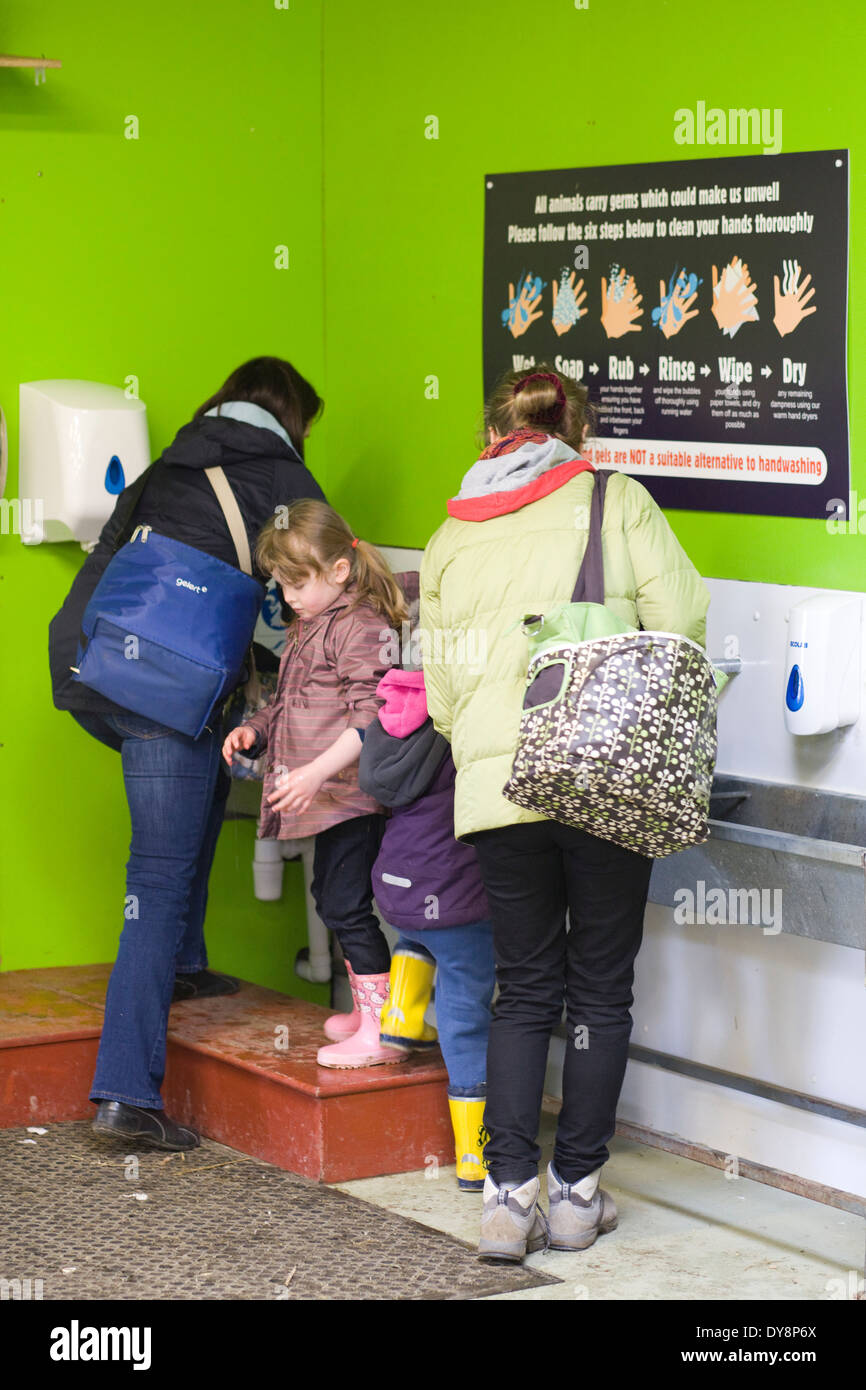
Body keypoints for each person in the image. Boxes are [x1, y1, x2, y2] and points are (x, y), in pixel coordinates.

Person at [419, 366, 710, 1261]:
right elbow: (684, 623)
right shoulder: (614, 500)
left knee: (524, 987)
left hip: (499, 791)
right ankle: (577, 1194)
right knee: (599, 987)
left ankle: (508, 1201)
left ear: (492, 434)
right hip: (605, 773)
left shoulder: (445, 539)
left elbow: (438, 703)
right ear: (574, 432)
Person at [49, 356, 326, 1150]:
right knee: (157, 879)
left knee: (202, 776)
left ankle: (183, 961)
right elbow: (318, 590)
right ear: (291, 417)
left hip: (91, 667)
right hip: (160, 694)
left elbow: (111, 559)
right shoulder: (280, 474)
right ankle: (126, 1094)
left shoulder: (168, 460)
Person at [222, 499, 408, 1069]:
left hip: (354, 797)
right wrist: (254, 730)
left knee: (347, 905)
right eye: (281, 584)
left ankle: (383, 1031)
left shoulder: (361, 627)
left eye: (297, 583)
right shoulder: (312, 624)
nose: (289, 596)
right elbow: (285, 700)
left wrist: (313, 772)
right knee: (333, 898)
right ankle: (365, 1011)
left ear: (340, 571)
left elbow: (372, 720)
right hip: (330, 798)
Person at [357, 578, 496, 1189]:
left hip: (398, 882)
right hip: (459, 896)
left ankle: (402, 1017)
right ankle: (475, 1153)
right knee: (467, 1015)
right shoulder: (458, 723)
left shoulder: (391, 712)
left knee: (418, 932)